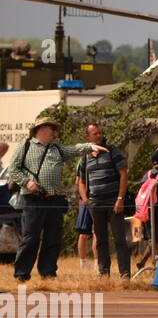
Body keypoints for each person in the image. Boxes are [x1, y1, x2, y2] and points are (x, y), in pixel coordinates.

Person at [8, 119, 108, 281]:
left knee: (53, 238)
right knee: (30, 238)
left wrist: (90, 147)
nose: (55, 131)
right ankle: (21, 274)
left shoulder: (56, 148)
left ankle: (48, 273)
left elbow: (73, 149)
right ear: (41, 129)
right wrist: (27, 182)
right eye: (52, 128)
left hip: (54, 199)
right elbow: (14, 168)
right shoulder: (25, 146)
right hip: (33, 200)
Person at [77, 123, 132, 277]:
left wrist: (120, 199)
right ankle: (104, 272)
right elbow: (81, 181)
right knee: (100, 240)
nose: (99, 135)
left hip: (114, 203)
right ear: (87, 137)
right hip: (95, 204)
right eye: (95, 133)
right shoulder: (85, 158)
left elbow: (123, 174)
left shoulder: (112, 151)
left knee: (120, 239)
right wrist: (86, 199)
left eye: (100, 132)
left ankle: (125, 274)